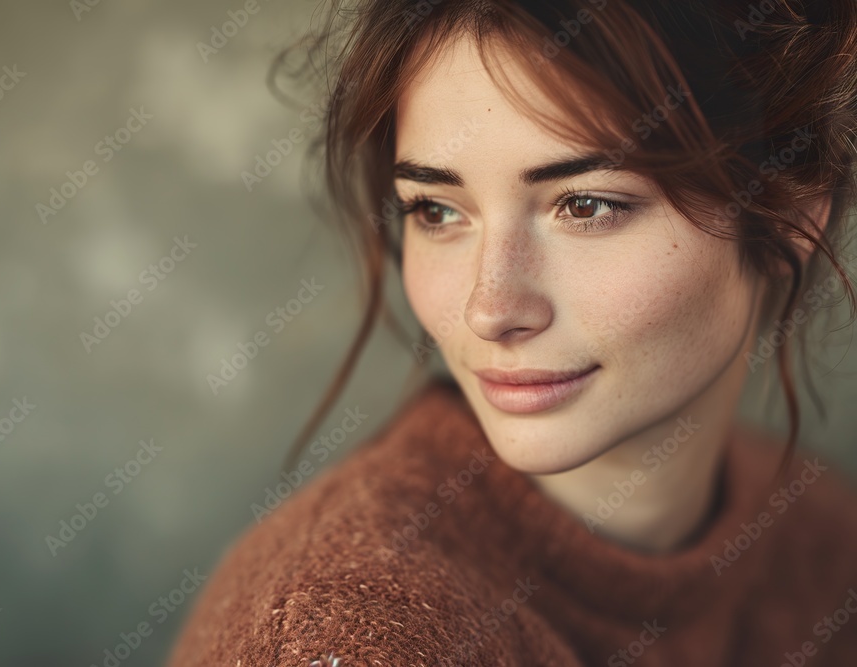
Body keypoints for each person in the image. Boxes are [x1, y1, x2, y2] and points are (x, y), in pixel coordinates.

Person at [168, 0, 857, 664]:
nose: (490, 309)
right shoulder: (356, 631)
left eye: (584, 205)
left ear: (791, 215)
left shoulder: (822, 536)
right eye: (436, 210)